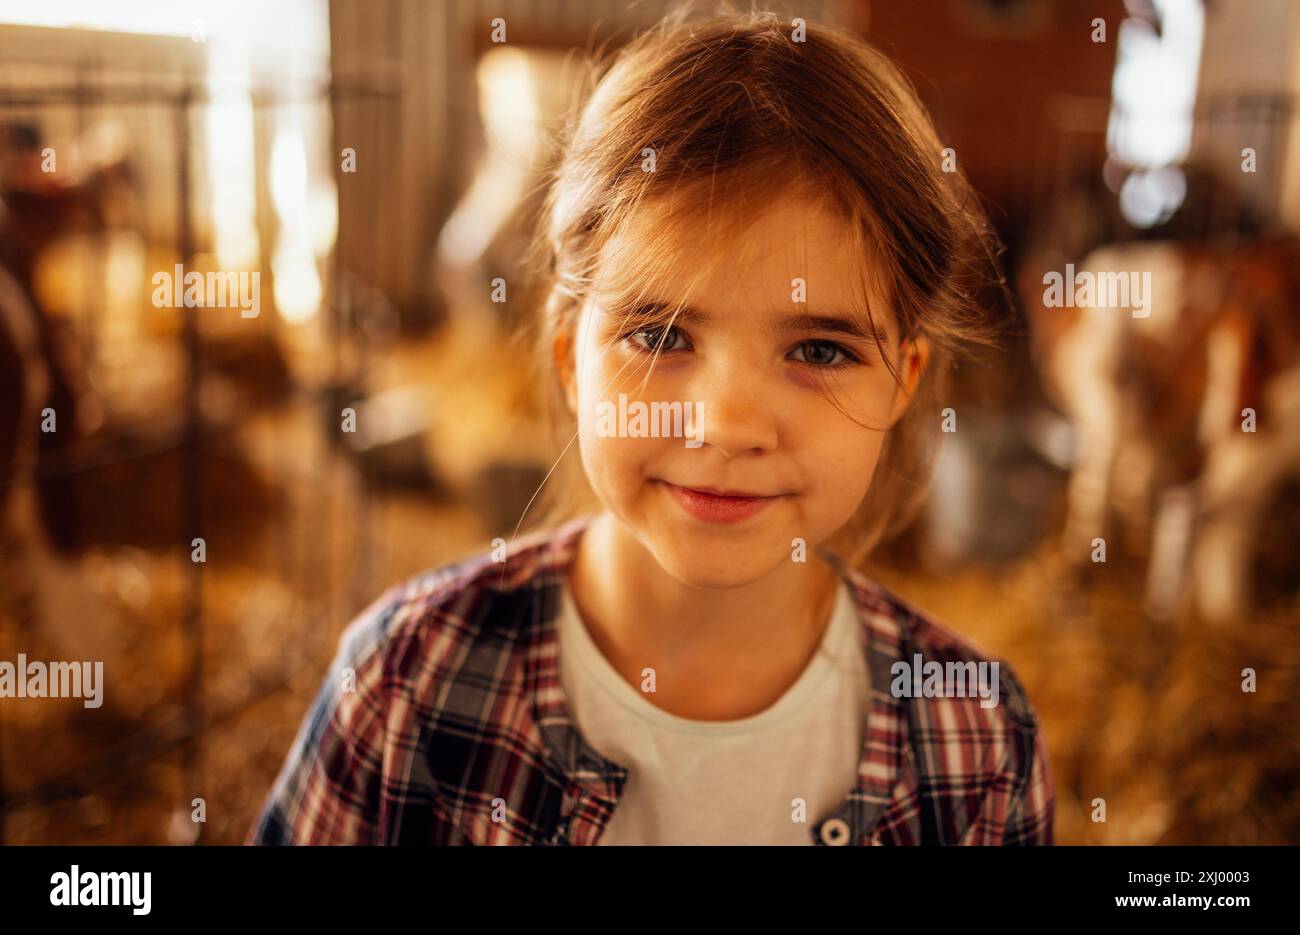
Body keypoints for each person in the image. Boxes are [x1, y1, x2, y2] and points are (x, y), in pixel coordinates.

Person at [249, 7, 1054, 846]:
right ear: (570, 358)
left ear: (902, 382)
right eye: (661, 335)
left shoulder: (977, 746)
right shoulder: (404, 683)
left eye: (820, 348)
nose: (726, 425)